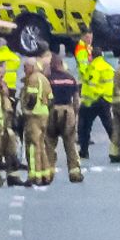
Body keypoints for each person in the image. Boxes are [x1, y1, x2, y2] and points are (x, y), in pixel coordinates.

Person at [75, 33, 114, 159]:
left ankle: (84, 151)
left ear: (91, 56)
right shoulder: (109, 67)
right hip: (106, 100)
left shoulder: (93, 68)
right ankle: (118, 149)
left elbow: (92, 84)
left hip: (92, 101)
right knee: (109, 125)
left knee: (84, 126)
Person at [46, 52, 83, 182]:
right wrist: (75, 114)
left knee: (49, 143)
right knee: (70, 143)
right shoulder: (70, 79)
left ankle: (49, 172)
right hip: (68, 111)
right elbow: (76, 100)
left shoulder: (48, 79)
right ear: (61, 64)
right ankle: (74, 172)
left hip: (52, 111)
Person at [21, 56, 53, 185]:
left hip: (34, 115)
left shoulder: (32, 79)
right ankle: (45, 174)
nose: (24, 70)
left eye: (25, 67)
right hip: (44, 113)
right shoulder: (44, 79)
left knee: (32, 146)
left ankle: (34, 176)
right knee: (41, 145)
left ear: (32, 66)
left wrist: (27, 110)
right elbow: (50, 98)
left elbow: (32, 97)